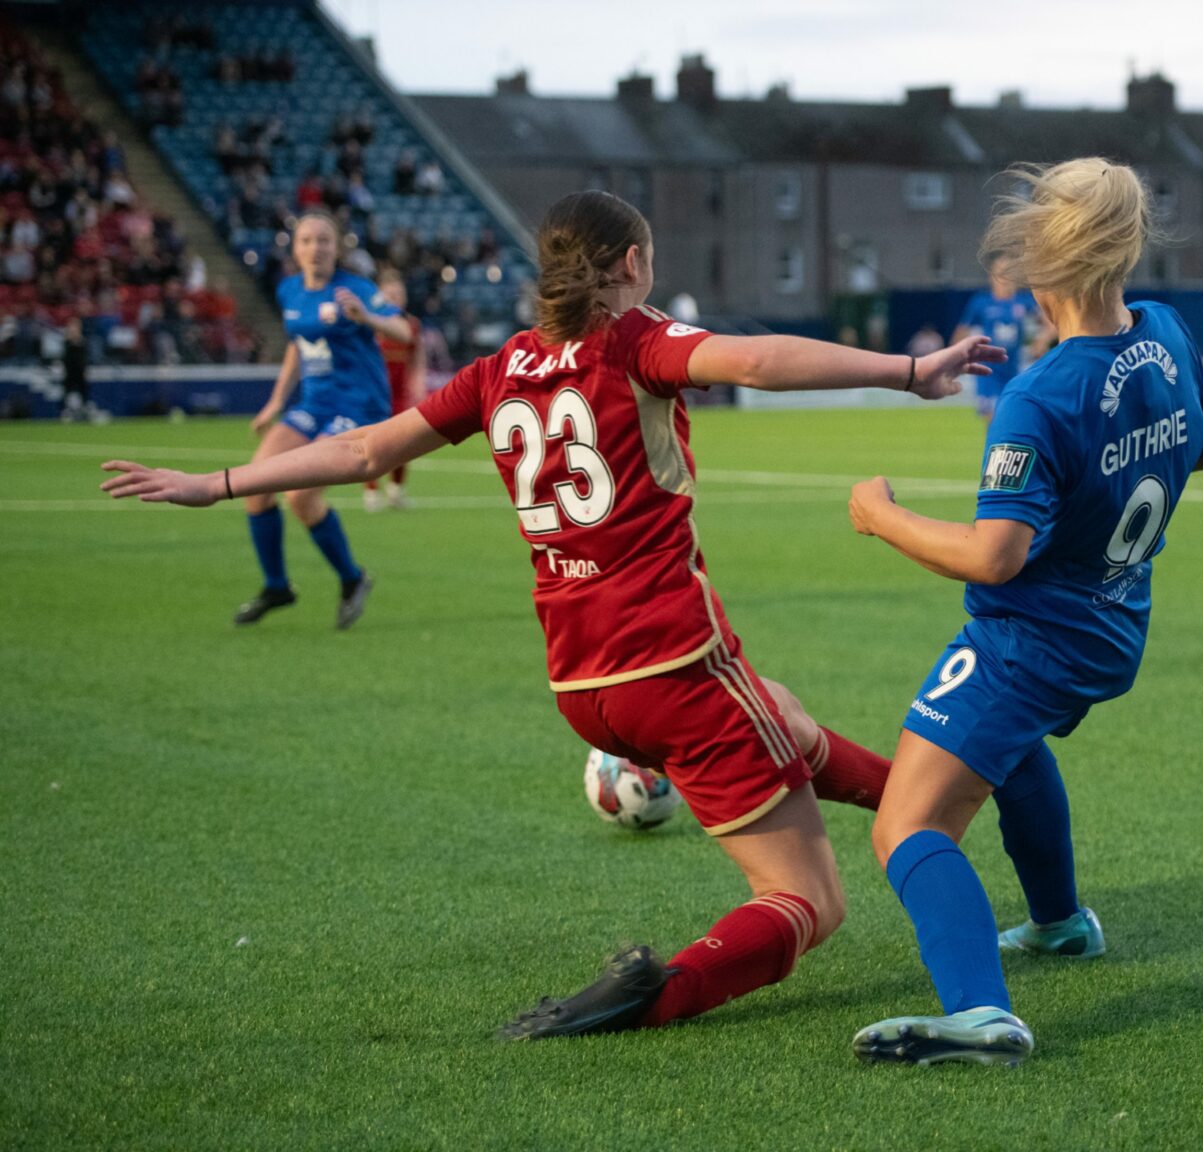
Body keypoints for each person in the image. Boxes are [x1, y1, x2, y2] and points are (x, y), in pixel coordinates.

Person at [101, 189, 1004, 1042]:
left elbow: (367, 449)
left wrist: (217, 483)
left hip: (584, 686)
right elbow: (757, 360)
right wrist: (911, 369)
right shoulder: (633, 343)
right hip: (671, 664)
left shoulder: (498, 370)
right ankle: (664, 992)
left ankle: (911, 801)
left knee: (778, 709)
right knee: (809, 901)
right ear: (634, 264)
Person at [844, 159, 1203, 1066]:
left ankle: (981, 1015)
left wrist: (881, 514)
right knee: (1008, 753)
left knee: (906, 826)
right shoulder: (1168, 332)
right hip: (1115, 617)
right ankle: (1061, 923)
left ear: (1033, 255)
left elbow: (994, 555)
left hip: (1031, 636)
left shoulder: (1038, 396)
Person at [237, 211, 412, 629]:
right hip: (313, 404)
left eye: (324, 240)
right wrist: (276, 401)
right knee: (254, 487)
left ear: (337, 248)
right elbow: (299, 345)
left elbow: (404, 332)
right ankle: (277, 585)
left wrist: (367, 318)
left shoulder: (356, 289)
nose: (316, 248)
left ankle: (352, 580)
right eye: (307, 240)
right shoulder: (289, 291)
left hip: (358, 407)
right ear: (295, 249)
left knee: (299, 496)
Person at [953, 252, 1049, 421]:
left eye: (1010, 272)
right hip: (988, 372)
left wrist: (1043, 339)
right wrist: (954, 358)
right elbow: (962, 331)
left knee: (1014, 418)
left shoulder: (1023, 302)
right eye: (1002, 272)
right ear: (992, 276)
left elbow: (1050, 322)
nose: (1006, 277)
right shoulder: (981, 302)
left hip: (1013, 369)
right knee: (993, 420)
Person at [362, 271, 424, 511]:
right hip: (374, 393)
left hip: (399, 394)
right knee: (373, 442)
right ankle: (371, 493)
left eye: (399, 293)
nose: (396, 298)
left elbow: (417, 357)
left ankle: (396, 491)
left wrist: (417, 383)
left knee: (403, 443)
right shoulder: (372, 323)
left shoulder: (412, 325)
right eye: (390, 294)